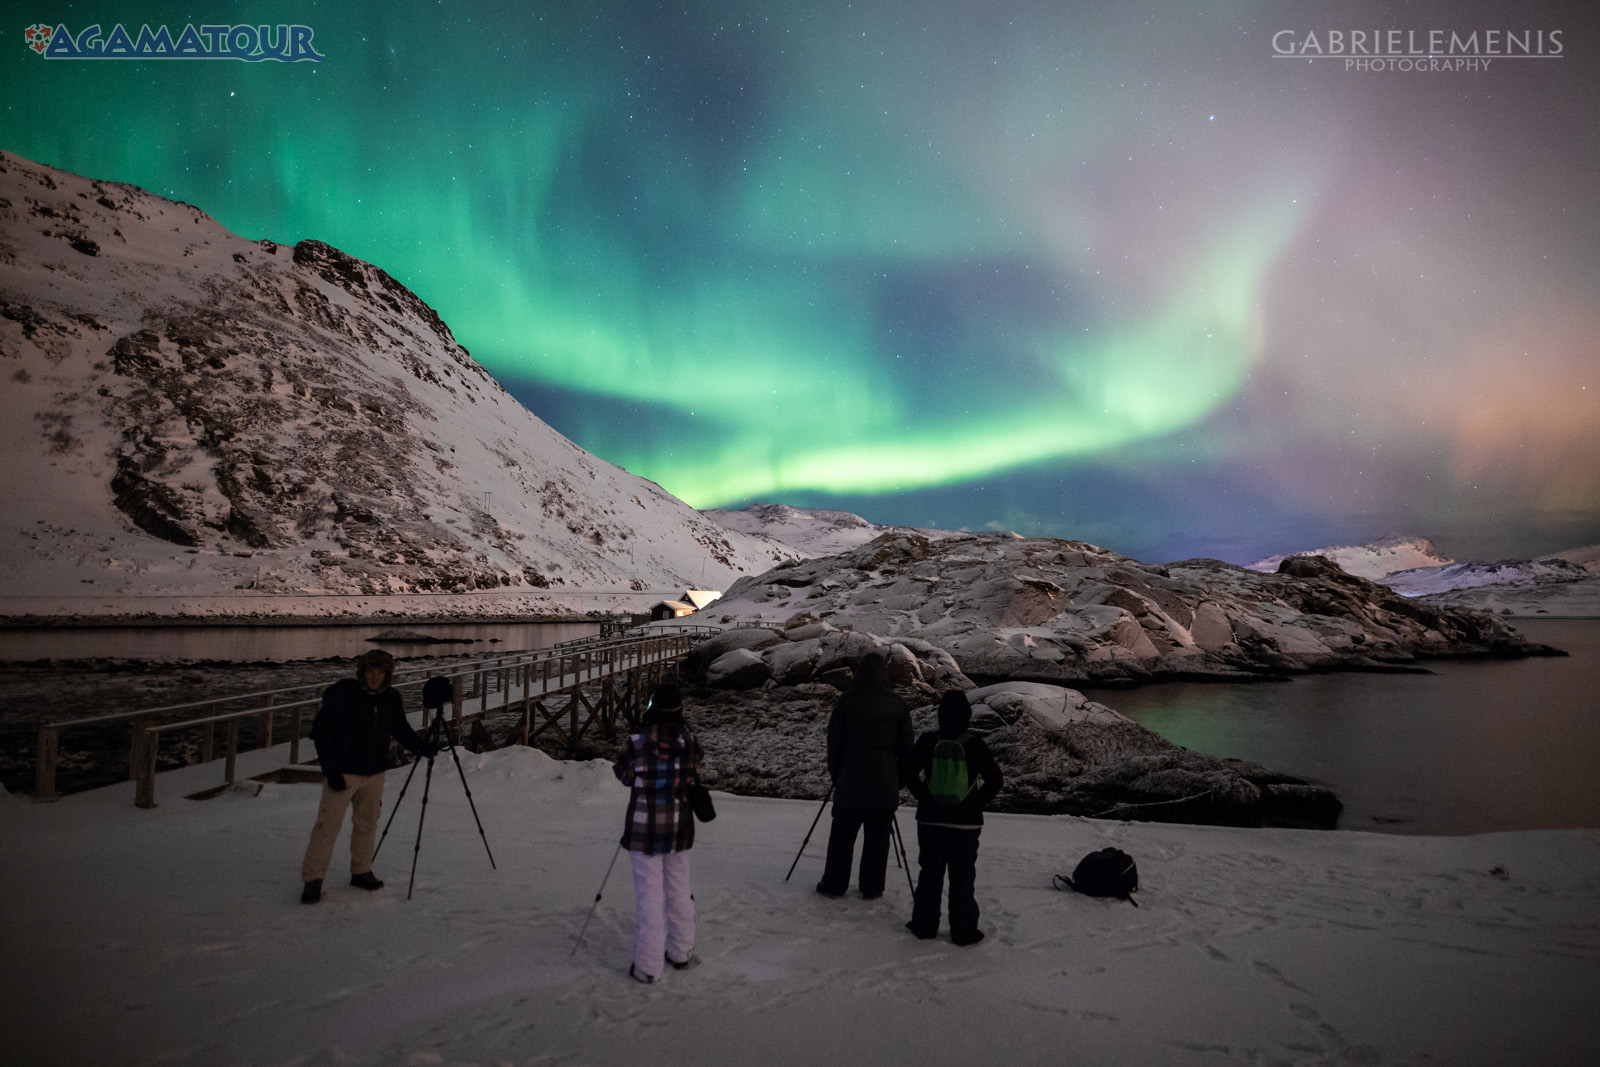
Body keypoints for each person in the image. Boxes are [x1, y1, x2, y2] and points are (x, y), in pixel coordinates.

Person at [300, 649, 430, 903]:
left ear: (387, 674)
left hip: (374, 773)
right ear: (362, 671)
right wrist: (331, 771)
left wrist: (423, 748)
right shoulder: (344, 695)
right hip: (344, 772)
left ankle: (361, 870)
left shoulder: (391, 698)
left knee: (367, 824)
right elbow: (323, 734)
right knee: (327, 827)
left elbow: (400, 729)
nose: (374, 676)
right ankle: (313, 879)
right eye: (370, 671)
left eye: (380, 672)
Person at [613, 682, 703, 983]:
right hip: (680, 828)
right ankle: (681, 951)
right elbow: (693, 769)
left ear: (652, 706)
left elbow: (623, 775)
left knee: (649, 896)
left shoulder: (637, 742)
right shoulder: (689, 741)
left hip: (644, 829)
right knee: (679, 889)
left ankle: (648, 967)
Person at [900, 689, 1004, 945]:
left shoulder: (927, 741)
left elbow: (906, 774)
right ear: (967, 716)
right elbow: (996, 781)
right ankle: (964, 930)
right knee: (963, 876)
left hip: (930, 820)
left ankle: (924, 925)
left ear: (940, 714)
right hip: (966, 823)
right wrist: (976, 802)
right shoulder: (976, 745)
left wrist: (925, 797)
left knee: (930, 874)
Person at [815, 652, 914, 900]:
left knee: (842, 837)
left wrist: (838, 775)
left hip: (850, 779)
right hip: (884, 781)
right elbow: (907, 750)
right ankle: (872, 886)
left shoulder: (847, 701)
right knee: (878, 838)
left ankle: (834, 884)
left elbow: (834, 743)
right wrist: (897, 781)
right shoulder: (898, 705)